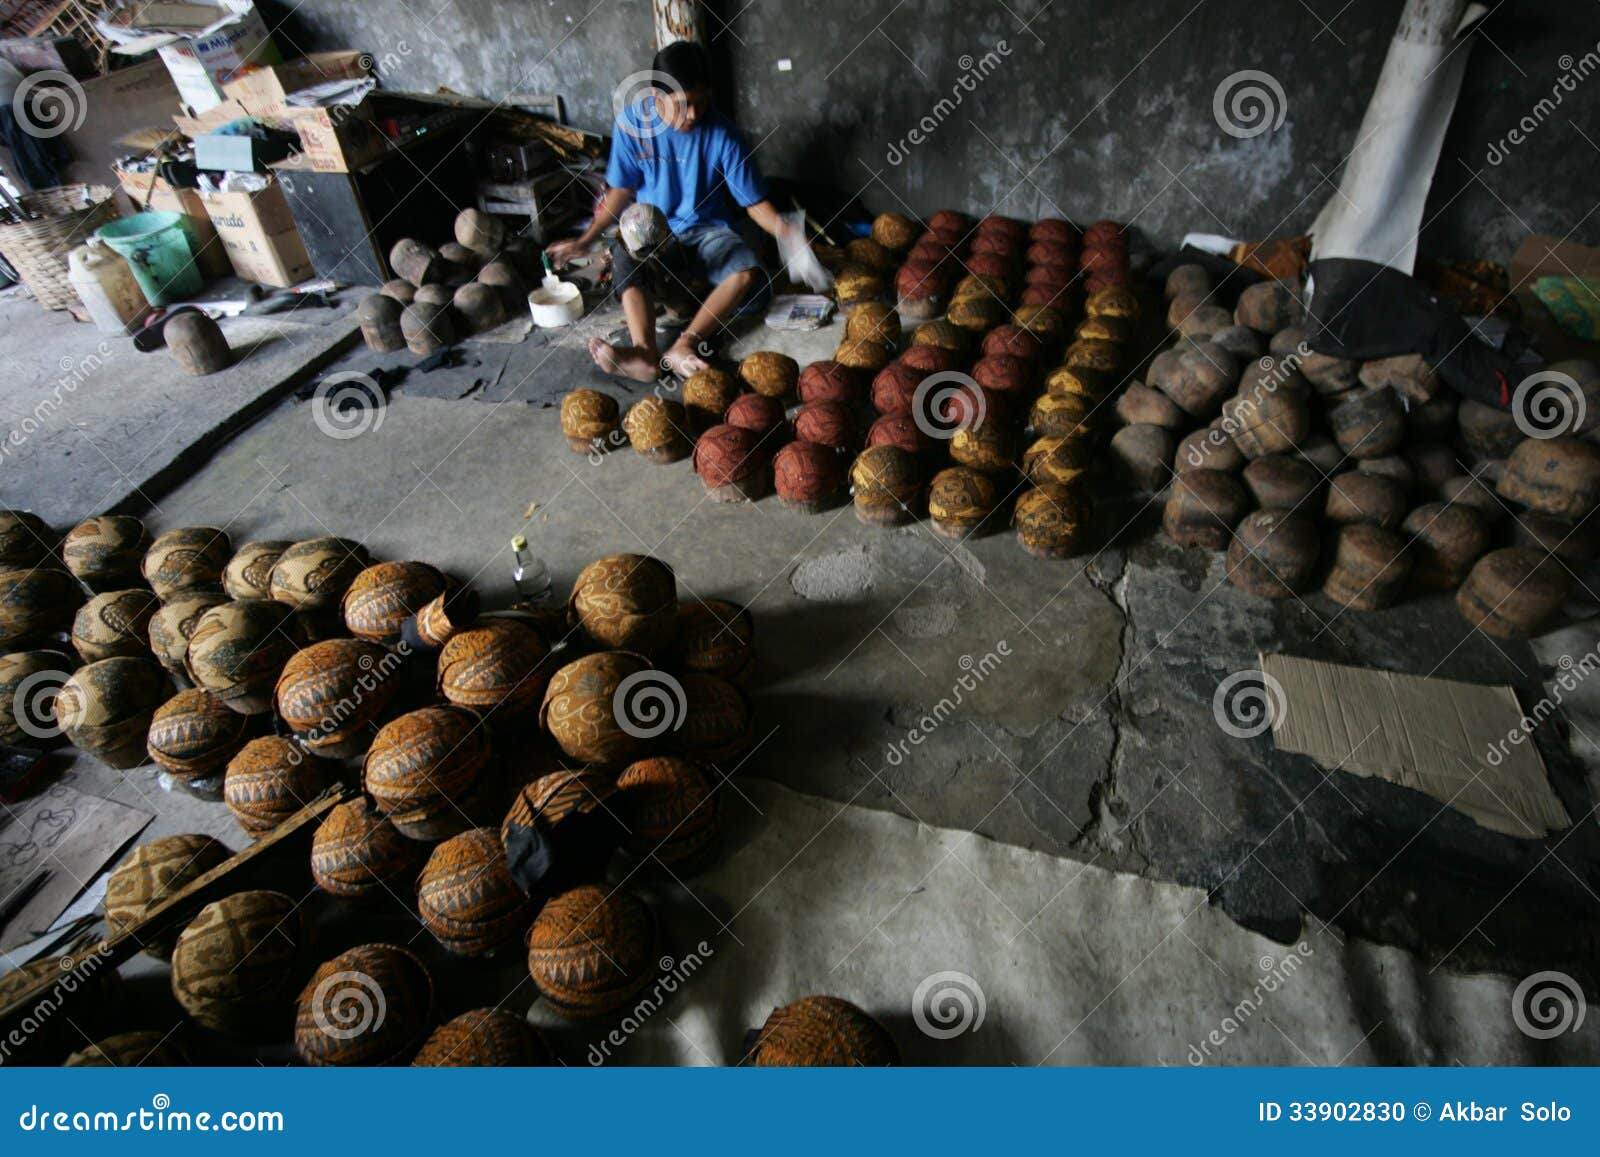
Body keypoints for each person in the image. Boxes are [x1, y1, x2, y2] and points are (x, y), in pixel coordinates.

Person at [546, 41, 801, 381]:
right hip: (655, 232)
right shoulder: (633, 126)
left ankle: (685, 343)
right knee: (624, 251)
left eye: (702, 101)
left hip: (708, 232)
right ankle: (645, 354)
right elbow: (621, 191)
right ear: (656, 96)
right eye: (683, 104)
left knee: (746, 273)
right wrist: (586, 240)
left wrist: (786, 231)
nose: (694, 114)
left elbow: (752, 203)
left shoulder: (724, 134)